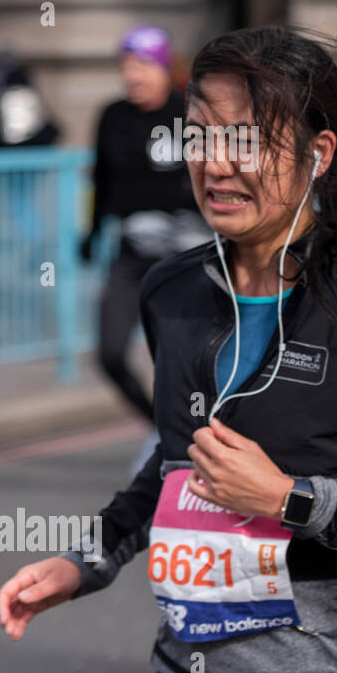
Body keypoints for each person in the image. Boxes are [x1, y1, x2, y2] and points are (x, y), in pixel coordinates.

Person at [0, 27, 337, 673]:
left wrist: (287, 499)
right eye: (201, 136)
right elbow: (174, 465)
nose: (217, 164)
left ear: (319, 152)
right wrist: (85, 560)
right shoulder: (171, 291)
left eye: (247, 139)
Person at [80, 25, 209, 421]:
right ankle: (159, 425)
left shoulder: (190, 112)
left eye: (143, 66)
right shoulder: (113, 115)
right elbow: (101, 177)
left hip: (188, 256)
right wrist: (93, 229)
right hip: (133, 250)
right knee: (110, 353)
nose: (133, 75)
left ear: (163, 68)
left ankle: (192, 430)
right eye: (126, 66)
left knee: (180, 354)